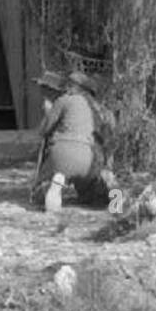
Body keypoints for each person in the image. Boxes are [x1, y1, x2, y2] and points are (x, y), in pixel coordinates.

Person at [35, 70, 112, 212]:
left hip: (62, 154)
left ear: (73, 87)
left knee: (41, 192)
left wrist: (48, 111)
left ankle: (54, 184)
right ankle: (114, 202)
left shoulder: (65, 100)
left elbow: (44, 130)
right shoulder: (101, 109)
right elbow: (108, 136)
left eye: (68, 85)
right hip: (89, 160)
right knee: (94, 195)